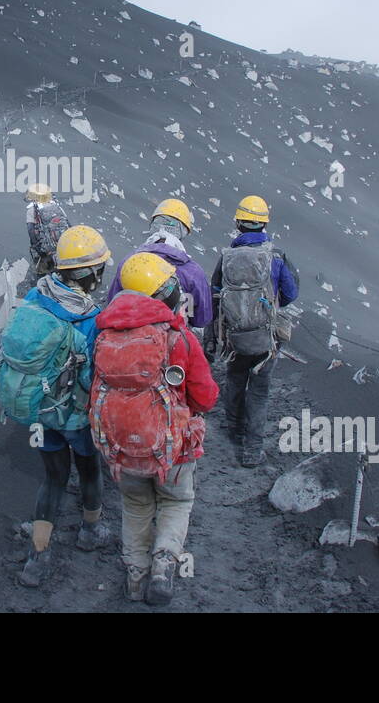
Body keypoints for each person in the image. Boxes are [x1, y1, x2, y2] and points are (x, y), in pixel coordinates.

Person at [89, 253, 218, 605]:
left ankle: (134, 577)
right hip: (172, 449)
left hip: (121, 449)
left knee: (135, 507)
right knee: (177, 502)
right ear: (166, 293)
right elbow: (205, 398)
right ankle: (164, 563)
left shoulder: (103, 337)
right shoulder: (181, 339)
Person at [0, 225, 115, 588]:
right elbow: (92, 376)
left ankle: (37, 557)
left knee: (53, 477)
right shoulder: (90, 318)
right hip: (74, 416)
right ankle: (90, 530)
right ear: (92, 273)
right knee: (89, 471)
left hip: (38, 410)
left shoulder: (34, 296)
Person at [210, 195, 299, 468]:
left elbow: (215, 291)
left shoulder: (227, 257)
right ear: (264, 224)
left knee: (235, 379)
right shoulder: (276, 257)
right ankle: (252, 448)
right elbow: (290, 294)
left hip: (235, 335)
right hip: (265, 337)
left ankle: (234, 429)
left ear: (238, 223)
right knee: (259, 391)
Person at [106, 198, 213, 331]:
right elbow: (201, 319)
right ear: (184, 230)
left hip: (127, 336)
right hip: (172, 340)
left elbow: (112, 303)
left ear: (154, 225)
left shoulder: (129, 261)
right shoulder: (193, 272)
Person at [24, 183, 69, 279]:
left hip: (45, 248)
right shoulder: (56, 206)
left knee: (41, 271)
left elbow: (31, 231)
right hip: (62, 245)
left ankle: (42, 286)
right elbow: (67, 223)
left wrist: (38, 248)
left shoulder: (32, 210)